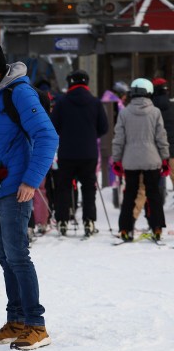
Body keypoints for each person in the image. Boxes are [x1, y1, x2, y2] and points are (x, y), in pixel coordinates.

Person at [0, 40, 58, 351]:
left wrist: (32, 181)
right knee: (5, 258)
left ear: (1, 68)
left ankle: (36, 324)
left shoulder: (18, 93)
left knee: (18, 257)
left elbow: (47, 136)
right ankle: (16, 319)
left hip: (14, 192)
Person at [50, 69, 108, 237]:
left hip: (67, 152)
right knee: (89, 187)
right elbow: (103, 127)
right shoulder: (95, 102)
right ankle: (89, 221)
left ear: (70, 83)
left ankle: (62, 220)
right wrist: (90, 135)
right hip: (89, 153)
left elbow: (53, 126)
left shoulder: (62, 102)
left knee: (63, 187)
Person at [112, 78, 169, 242]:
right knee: (153, 194)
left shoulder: (124, 113)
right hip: (152, 159)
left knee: (130, 193)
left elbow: (119, 139)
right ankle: (156, 227)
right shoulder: (155, 112)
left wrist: (117, 160)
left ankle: (125, 228)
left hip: (130, 160)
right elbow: (161, 138)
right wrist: (165, 158)